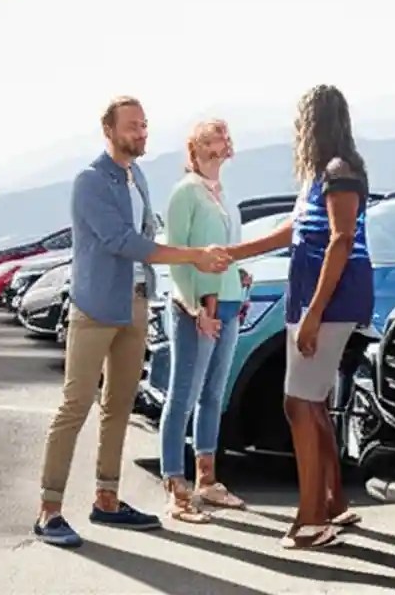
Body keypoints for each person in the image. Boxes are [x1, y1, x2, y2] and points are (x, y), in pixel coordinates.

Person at [33, 96, 232, 548]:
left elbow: (148, 233)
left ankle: (107, 500)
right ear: (109, 130)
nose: (141, 133)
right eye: (132, 127)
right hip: (95, 307)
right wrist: (192, 256)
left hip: (136, 305)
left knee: (119, 405)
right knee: (75, 405)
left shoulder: (137, 176)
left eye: (144, 126)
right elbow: (122, 242)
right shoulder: (90, 181)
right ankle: (48, 510)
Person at [225, 84, 370, 549]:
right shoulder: (317, 177)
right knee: (310, 401)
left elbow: (341, 241)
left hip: (329, 298)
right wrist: (234, 252)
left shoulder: (339, 171)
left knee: (299, 403)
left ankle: (313, 521)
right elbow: (294, 231)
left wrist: (312, 315)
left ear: (315, 123)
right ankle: (332, 504)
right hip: (309, 294)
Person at [159, 118, 248, 522]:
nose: (223, 144)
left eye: (225, 137)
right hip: (197, 308)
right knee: (183, 396)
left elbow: (225, 251)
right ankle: (175, 487)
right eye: (214, 139)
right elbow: (177, 255)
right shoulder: (185, 194)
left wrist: (239, 277)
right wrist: (194, 308)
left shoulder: (223, 194)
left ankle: (207, 480)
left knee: (213, 395)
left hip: (228, 302)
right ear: (195, 148)